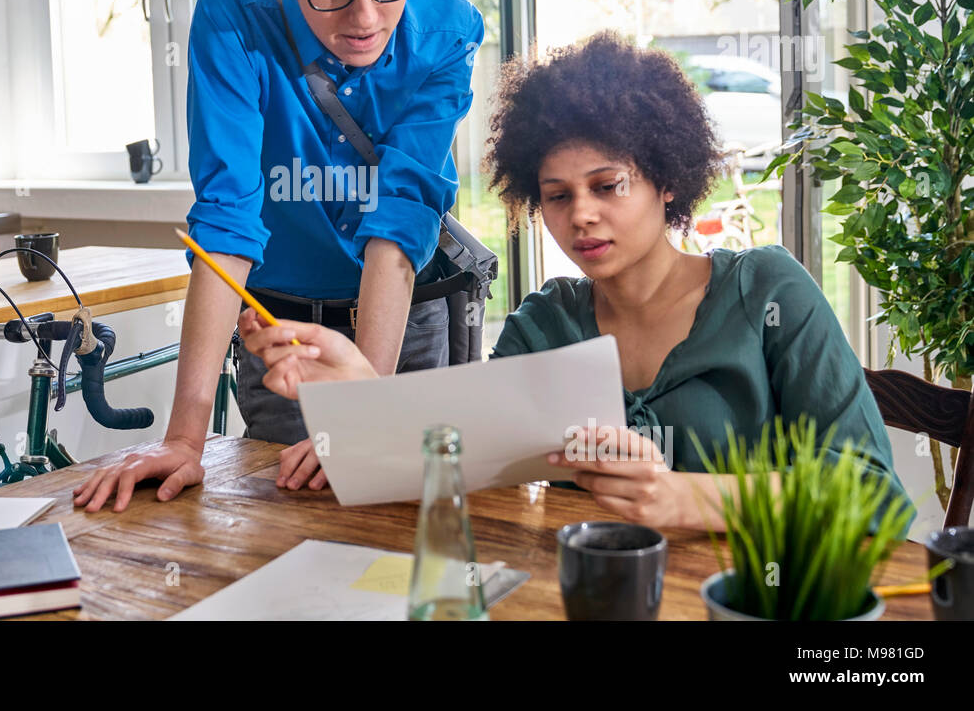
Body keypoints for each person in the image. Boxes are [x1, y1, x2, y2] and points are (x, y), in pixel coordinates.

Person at [237, 31, 914, 531]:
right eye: (556, 195)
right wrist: (359, 387)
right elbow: (455, 458)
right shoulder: (546, 323)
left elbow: (877, 497)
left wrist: (687, 497)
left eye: (608, 185)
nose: (581, 214)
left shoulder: (770, 293)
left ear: (666, 179)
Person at [74, 0, 484, 513]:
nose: (366, 17)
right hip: (281, 335)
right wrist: (185, 439)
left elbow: (402, 216)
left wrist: (364, 409)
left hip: (404, 329)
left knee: (413, 530)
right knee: (288, 538)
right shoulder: (235, 17)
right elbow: (229, 216)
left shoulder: (447, 30)